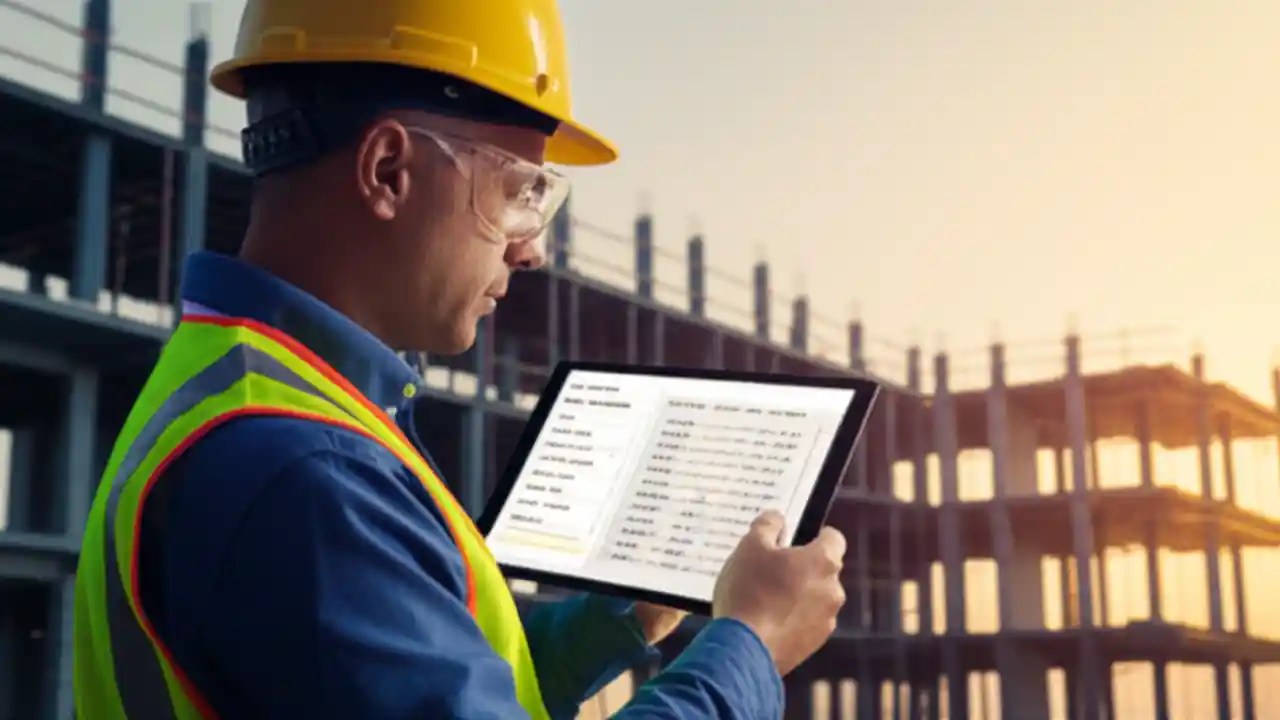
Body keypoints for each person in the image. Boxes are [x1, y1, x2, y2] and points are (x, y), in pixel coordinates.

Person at [71, 1, 848, 718]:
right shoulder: (306, 473)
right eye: (521, 188)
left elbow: (433, 682)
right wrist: (751, 644)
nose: (533, 246)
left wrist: (618, 623)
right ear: (387, 171)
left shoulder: (240, 389)